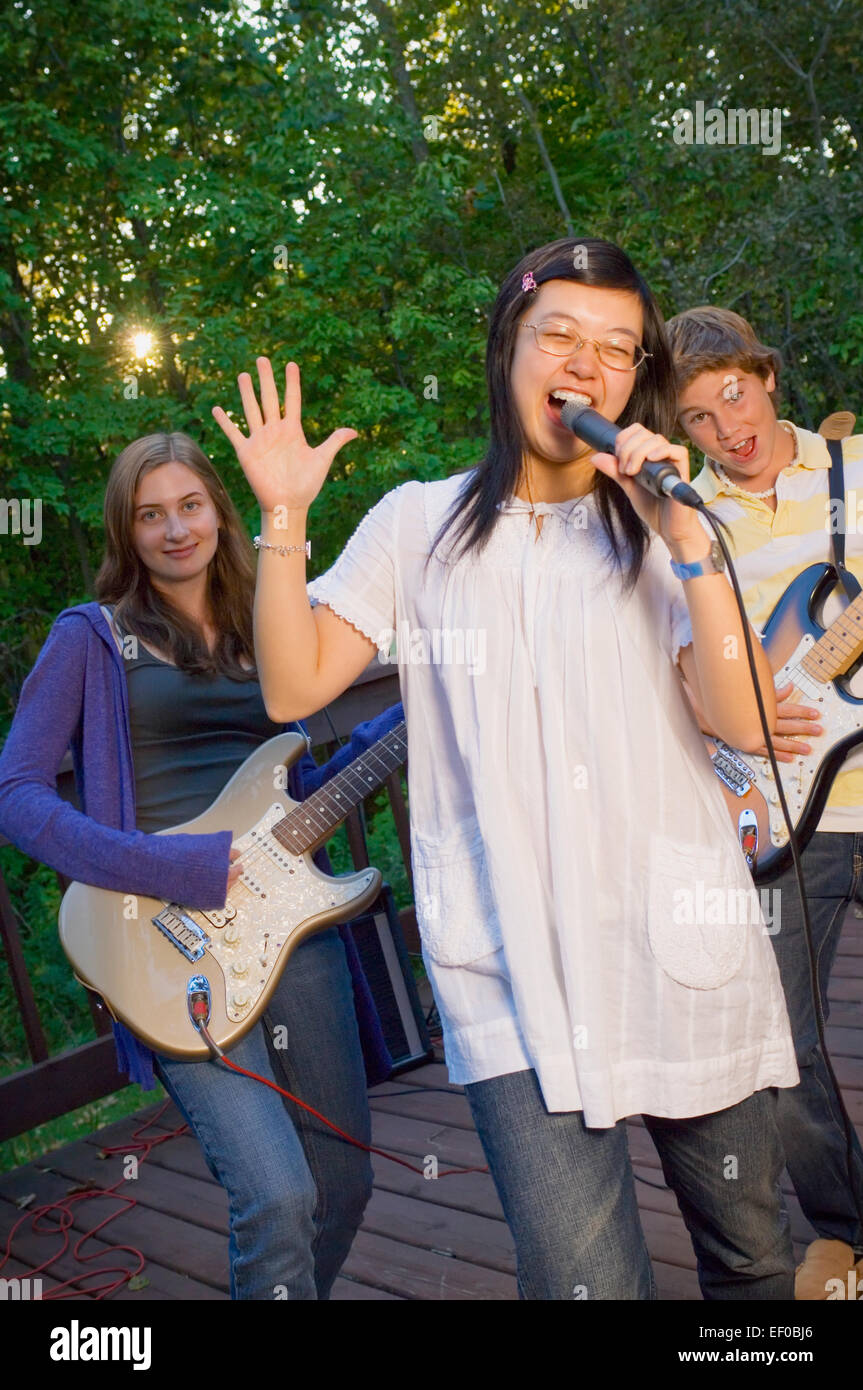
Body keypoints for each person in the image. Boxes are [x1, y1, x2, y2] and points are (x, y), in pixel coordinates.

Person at [214, 237, 801, 1301]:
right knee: (581, 1281)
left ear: (634, 383)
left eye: (617, 350)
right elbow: (294, 687)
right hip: (511, 967)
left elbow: (741, 717)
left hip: (679, 942)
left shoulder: (659, 519)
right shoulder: (415, 524)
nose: (586, 365)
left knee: (753, 1256)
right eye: (560, 336)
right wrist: (284, 515)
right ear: (506, 350)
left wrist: (692, 550)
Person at [0, 431, 404, 1300]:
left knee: (342, 1183)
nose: (175, 530)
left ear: (220, 512)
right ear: (126, 531)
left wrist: (403, 729)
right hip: (164, 938)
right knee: (275, 1193)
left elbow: (298, 794)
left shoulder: (273, 621)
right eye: (150, 515)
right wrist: (168, 867)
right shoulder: (93, 639)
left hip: (294, 924)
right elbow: (19, 794)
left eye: (190, 506)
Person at [668, 304, 863, 1297]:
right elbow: (680, 669)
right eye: (695, 417)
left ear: (767, 375)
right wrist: (729, 714)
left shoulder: (857, 471)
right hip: (782, 813)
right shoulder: (684, 519)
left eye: (731, 394)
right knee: (781, 1051)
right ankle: (849, 1229)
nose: (723, 428)